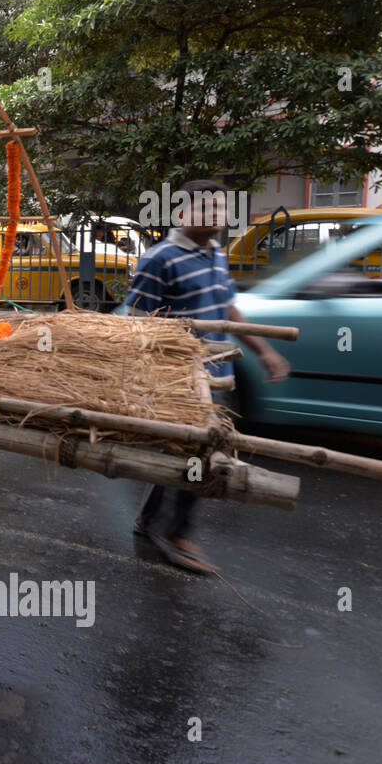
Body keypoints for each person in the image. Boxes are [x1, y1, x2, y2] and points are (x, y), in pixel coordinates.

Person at [124, 180, 291, 574]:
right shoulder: (159, 259)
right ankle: (177, 534)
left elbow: (226, 307)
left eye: (220, 208)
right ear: (181, 213)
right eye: (205, 209)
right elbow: (136, 324)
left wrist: (264, 351)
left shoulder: (215, 253)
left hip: (218, 376)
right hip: (181, 383)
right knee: (201, 455)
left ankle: (150, 524)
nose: (215, 216)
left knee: (184, 453)